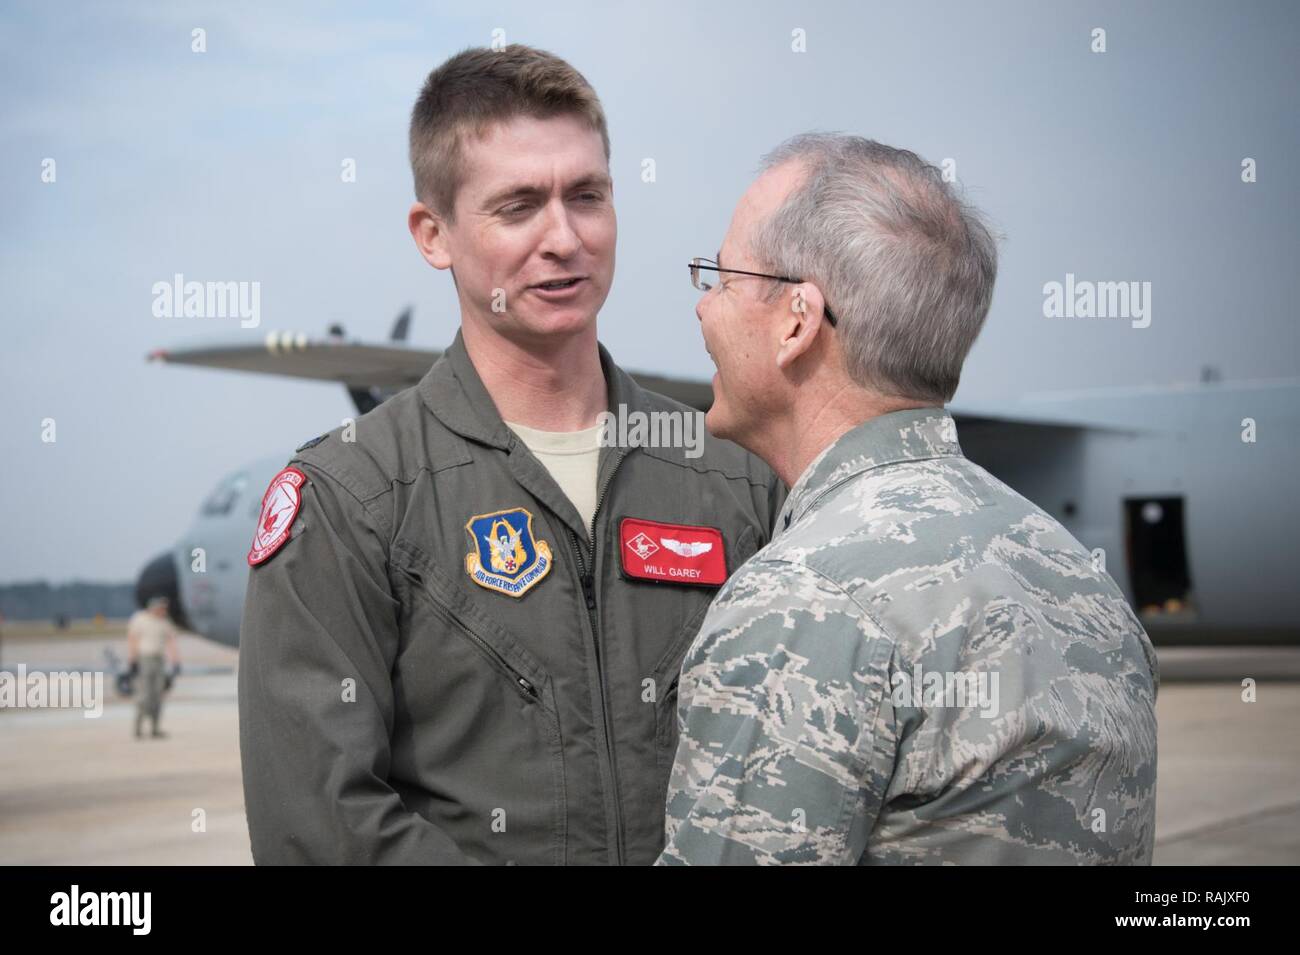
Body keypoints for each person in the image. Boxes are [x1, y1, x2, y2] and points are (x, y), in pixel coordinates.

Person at [237, 45, 784, 865]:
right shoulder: (351, 499)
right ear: (434, 234)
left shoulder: (736, 478)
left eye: (587, 196)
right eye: (519, 205)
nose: (563, 238)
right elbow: (319, 826)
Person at [658, 133, 1159, 865]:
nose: (704, 309)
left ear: (797, 321)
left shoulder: (802, 602)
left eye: (723, 277)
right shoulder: (1082, 577)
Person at [125, 596, 181, 739]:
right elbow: (132, 639)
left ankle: (155, 729)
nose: (164, 611)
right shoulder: (140, 619)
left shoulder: (164, 622)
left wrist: (175, 661)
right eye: (161, 608)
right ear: (154, 608)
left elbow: (171, 641)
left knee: (158, 694)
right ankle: (138, 729)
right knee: (144, 695)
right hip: (144, 660)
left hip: (159, 661)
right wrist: (132, 660)